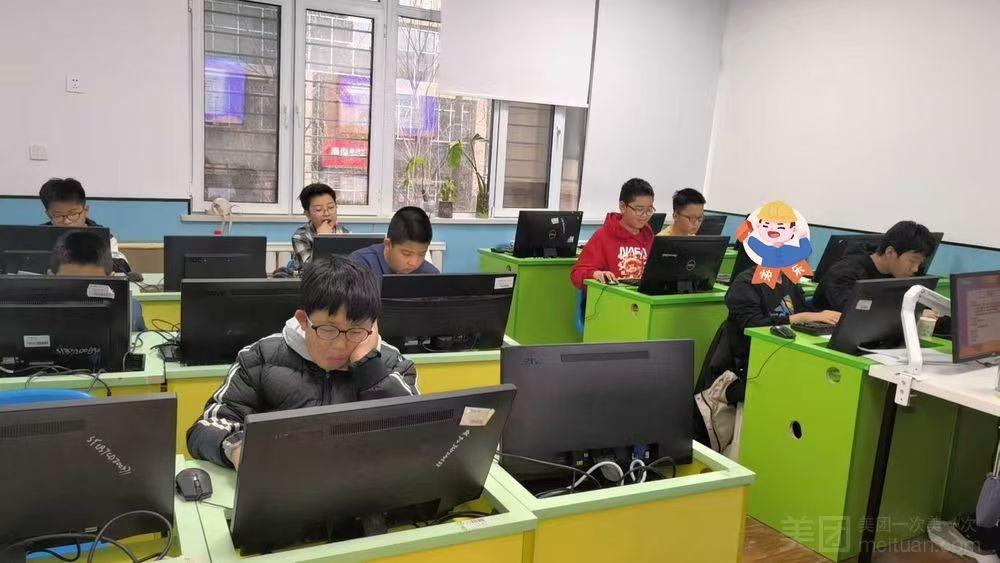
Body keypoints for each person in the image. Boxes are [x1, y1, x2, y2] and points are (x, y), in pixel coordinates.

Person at [186, 255, 418, 469]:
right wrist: (236, 448)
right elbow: (205, 428)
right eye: (328, 329)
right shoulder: (261, 357)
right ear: (303, 320)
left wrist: (370, 368)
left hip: (364, 489)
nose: (340, 345)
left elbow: (419, 435)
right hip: (284, 486)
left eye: (356, 331)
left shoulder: (392, 364)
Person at [813, 220, 938, 313]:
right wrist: (913, 314)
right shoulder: (845, 272)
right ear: (889, 252)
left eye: (920, 263)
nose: (915, 269)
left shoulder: (900, 275)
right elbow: (854, 312)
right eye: (912, 261)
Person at [49, 230, 147, 332]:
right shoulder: (36, 316)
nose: (80, 294)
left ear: (111, 280)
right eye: (70, 283)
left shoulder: (130, 312)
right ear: (50, 277)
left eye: (91, 284)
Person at [570, 178, 655, 289]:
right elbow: (577, 273)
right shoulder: (603, 236)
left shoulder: (650, 238)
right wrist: (595, 274)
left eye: (649, 210)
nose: (645, 215)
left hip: (643, 296)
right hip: (611, 297)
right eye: (639, 209)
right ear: (623, 207)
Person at [39, 177, 130, 272]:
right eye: (58, 215)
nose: (66, 221)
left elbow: (121, 266)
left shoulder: (104, 237)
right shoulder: (39, 236)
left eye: (73, 214)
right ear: (48, 214)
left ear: (86, 210)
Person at [349, 206, 439, 283]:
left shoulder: (430, 275)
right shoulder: (359, 266)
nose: (414, 263)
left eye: (421, 254)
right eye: (406, 254)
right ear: (388, 245)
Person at [289, 183, 350, 272]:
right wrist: (323, 238)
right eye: (319, 209)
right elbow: (311, 269)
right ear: (308, 214)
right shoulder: (300, 237)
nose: (326, 213)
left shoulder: (345, 233)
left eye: (331, 207)